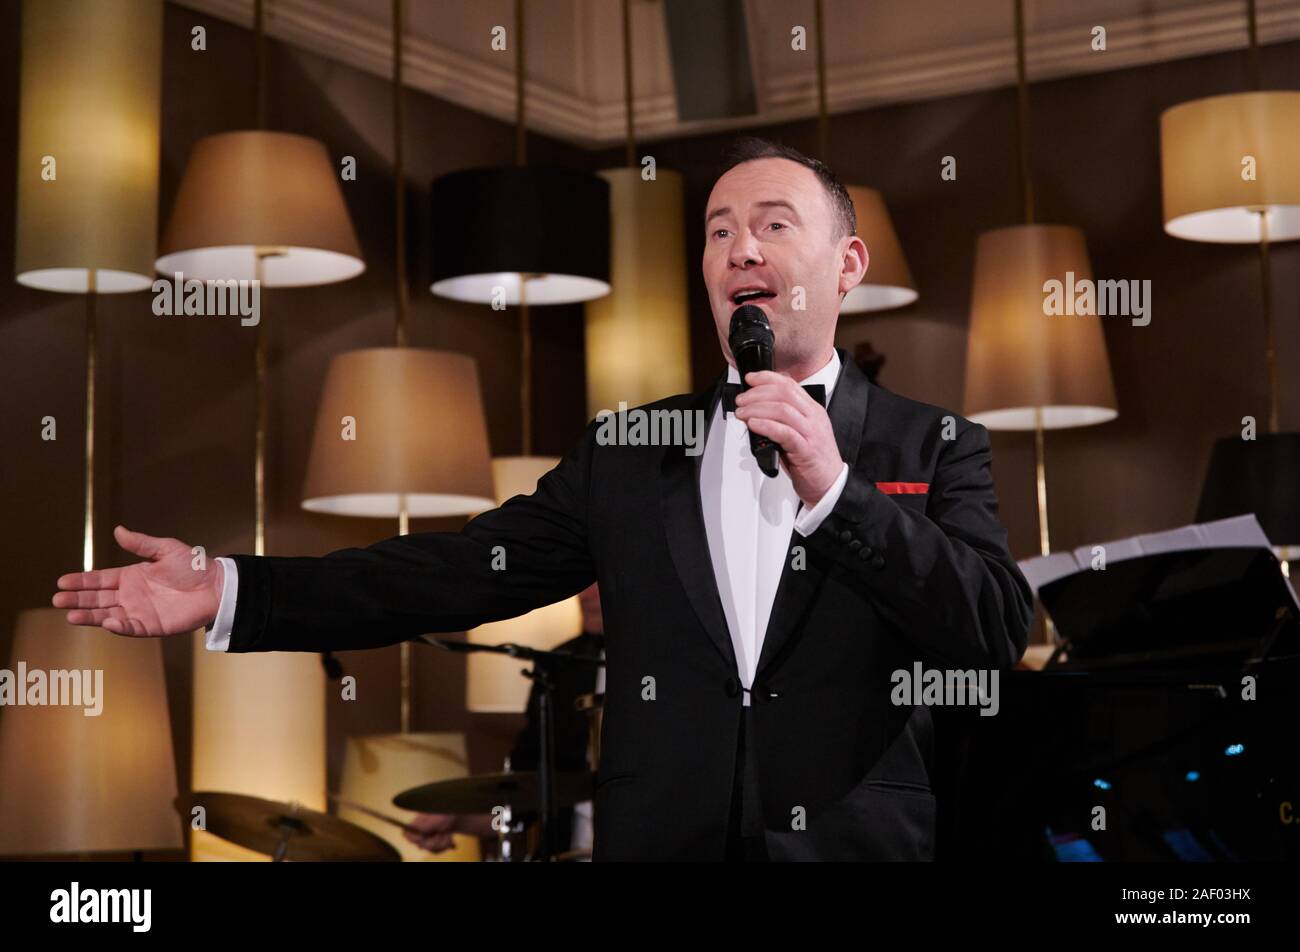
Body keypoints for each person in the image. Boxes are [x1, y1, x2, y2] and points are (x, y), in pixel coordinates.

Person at [53, 135, 1032, 861]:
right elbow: (452, 572)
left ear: (846, 267)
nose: (740, 249)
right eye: (718, 231)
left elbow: (990, 627)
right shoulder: (630, 451)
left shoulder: (934, 446)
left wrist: (835, 490)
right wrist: (228, 588)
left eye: (775, 226)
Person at [404, 583, 604, 858]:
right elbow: (526, 795)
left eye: (596, 582)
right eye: (581, 583)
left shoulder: (671, 666)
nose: (584, 595)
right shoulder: (560, 666)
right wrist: (457, 820)